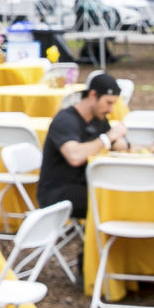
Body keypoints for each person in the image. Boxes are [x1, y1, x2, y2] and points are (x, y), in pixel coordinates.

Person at [36, 72, 127, 222]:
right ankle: (102, 243)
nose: (111, 110)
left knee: (123, 192)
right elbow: (75, 157)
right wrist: (107, 137)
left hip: (85, 184)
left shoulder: (98, 119)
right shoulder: (65, 120)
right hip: (58, 192)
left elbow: (117, 145)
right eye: (108, 103)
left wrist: (147, 148)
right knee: (113, 200)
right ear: (92, 95)